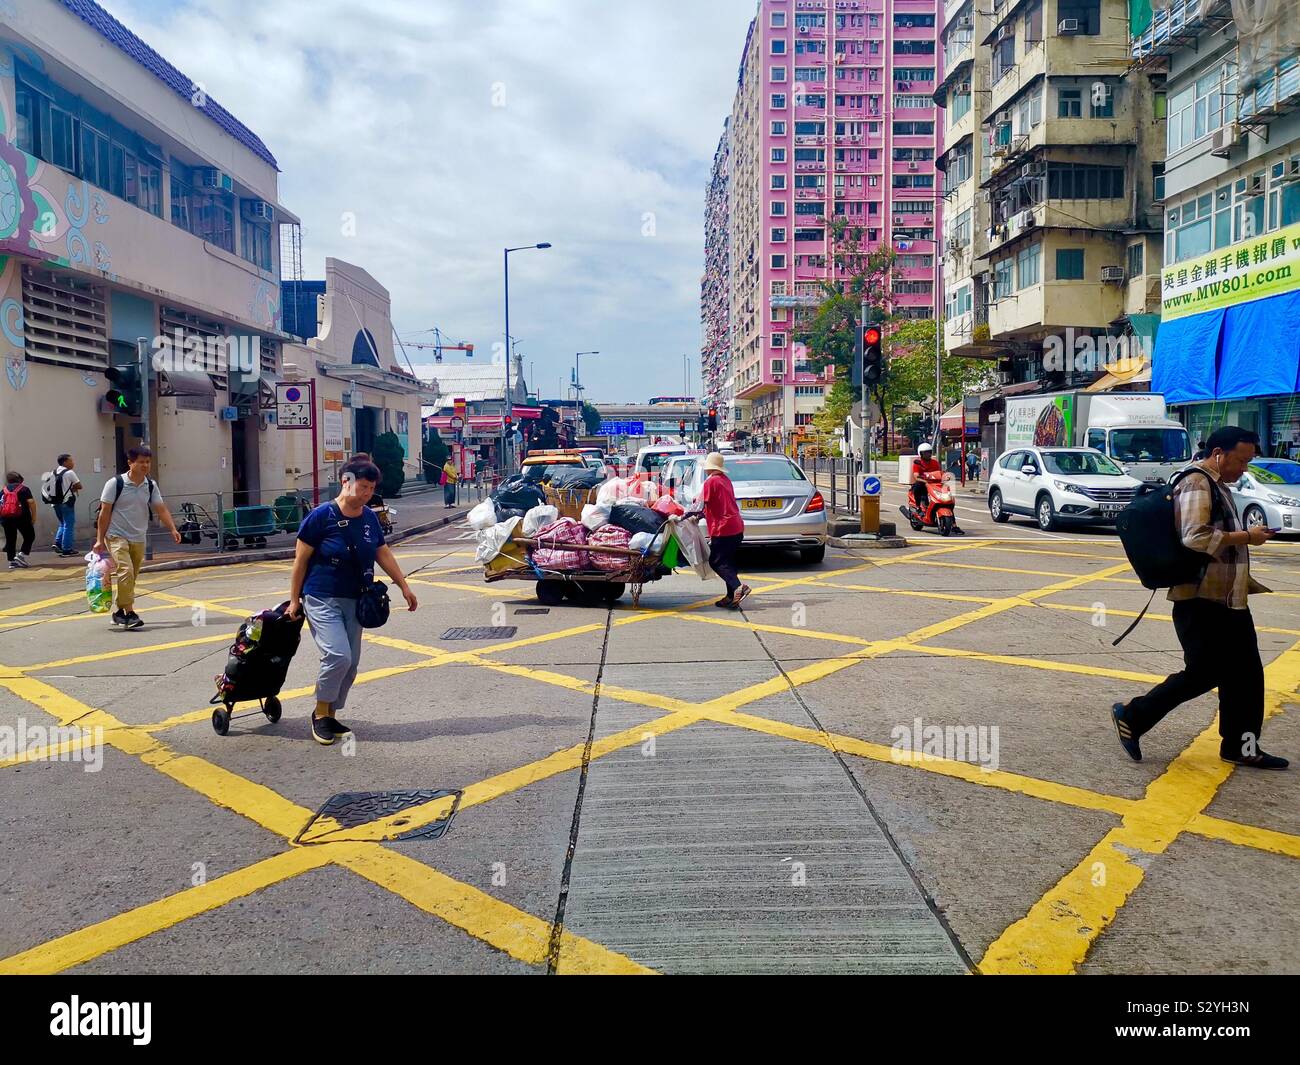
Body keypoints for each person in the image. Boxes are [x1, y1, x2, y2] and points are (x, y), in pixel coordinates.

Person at [1111, 426, 1287, 770]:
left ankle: (1241, 746)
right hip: (1201, 600)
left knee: (1247, 675)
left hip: (1229, 600)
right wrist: (1246, 537)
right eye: (1241, 460)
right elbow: (1195, 537)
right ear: (1219, 453)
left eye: (1249, 461)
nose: (1245, 468)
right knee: (1204, 673)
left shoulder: (1219, 484)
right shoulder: (1197, 482)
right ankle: (1133, 715)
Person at [288, 455, 418, 746]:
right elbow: (299, 561)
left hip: (355, 599)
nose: (367, 494)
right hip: (322, 597)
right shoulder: (321, 516)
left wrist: (404, 586)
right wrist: (294, 600)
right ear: (345, 481)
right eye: (362, 487)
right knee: (338, 656)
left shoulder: (370, 517)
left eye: (371, 489)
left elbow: (382, 553)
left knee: (351, 664)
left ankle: (331, 713)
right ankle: (320, 714)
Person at [93, 446, 182, 629]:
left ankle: (119, 612)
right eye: (140, 462)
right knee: (126, 571)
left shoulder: (150, 485)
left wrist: (172, 528)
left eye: (148, 462)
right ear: (130, 463)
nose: (145, 465)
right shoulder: (115, 483)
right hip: (116, 535)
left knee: (131, 577)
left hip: (139, 536)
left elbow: (160, 508)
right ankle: (130, 613)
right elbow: (104, 513)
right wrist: (99, 540)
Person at [687, 452, 750, 609]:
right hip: (736, 526)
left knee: (716, 561)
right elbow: (713, 504)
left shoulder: (711, 482)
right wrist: (700, 515)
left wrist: (685, 516)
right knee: (728, 562)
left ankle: (738, 587)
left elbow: (700, 505)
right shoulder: (724, 480)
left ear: (709, 468)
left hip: (724, 528)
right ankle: (730, 596)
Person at [43, 454, 83, 556]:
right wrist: (72, 488)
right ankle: (67, 549)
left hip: (55, 503)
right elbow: (79, 485)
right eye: (71, 461)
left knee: (62, 523)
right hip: (66, 502)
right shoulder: (69, 473)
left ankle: (58, 543)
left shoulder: (52, 472)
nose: (73, 463)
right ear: (65, 462)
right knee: (68, 525)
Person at [1, 471, 37, 570]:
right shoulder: (24, 489)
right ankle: (21, 555)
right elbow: (31, 503)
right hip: (22, 517)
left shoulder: (3, 490)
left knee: (10, 539)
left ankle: (12, 562)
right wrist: (34, 517)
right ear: (19, 479)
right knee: (30, 536)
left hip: (6, 518)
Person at [910, 442, 942, 512]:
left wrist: (945, 476)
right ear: (921, 454)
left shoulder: (935, 462)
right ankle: (918, 506)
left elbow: (939, 473)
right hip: (923, 483)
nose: (928, 454)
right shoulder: (918, 463)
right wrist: (926, 481)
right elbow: (916, 476)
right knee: (917, 487)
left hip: (934, 483)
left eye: (929, 452)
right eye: (926, 453)